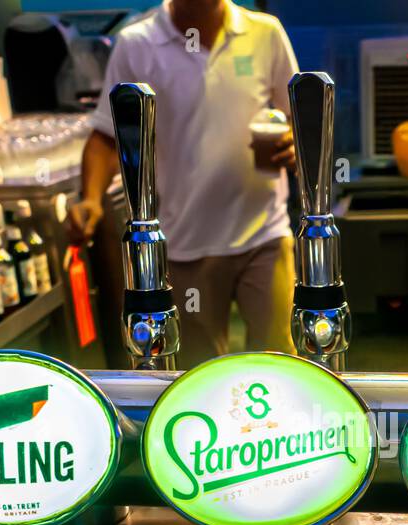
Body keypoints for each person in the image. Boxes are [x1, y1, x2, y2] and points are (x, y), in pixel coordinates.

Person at [70, 0, 299, 368]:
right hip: (187, 244)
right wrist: (91, 199)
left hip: (264, 234)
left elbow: (294, 117)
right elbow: (107, 137)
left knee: (279, 361)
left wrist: (293, 144)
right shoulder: (138, 43)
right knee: (199, 371)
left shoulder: (265, 32)